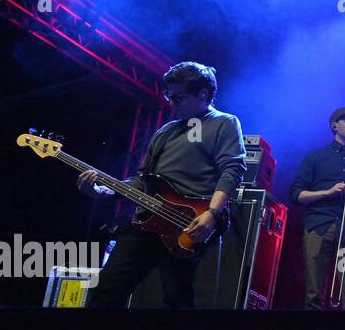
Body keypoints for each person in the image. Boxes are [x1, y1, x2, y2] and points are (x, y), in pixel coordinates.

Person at [79, 61, 246, 308]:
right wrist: (104, 190)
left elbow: (232, 169)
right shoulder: (165, 131)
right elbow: (143, 179)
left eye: (178, 97)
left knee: (176, 297)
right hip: (148, 221)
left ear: (203, 94)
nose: (171, 103)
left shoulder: (224, 122)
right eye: (169, 96)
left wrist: (212, 213)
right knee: (107, 289)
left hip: (189, 221)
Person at [291, 106, 345, 310]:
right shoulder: (315, 157)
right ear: (335, 126)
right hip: (320, 227)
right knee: (314, 295)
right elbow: (296, 195)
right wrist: (328, 193)